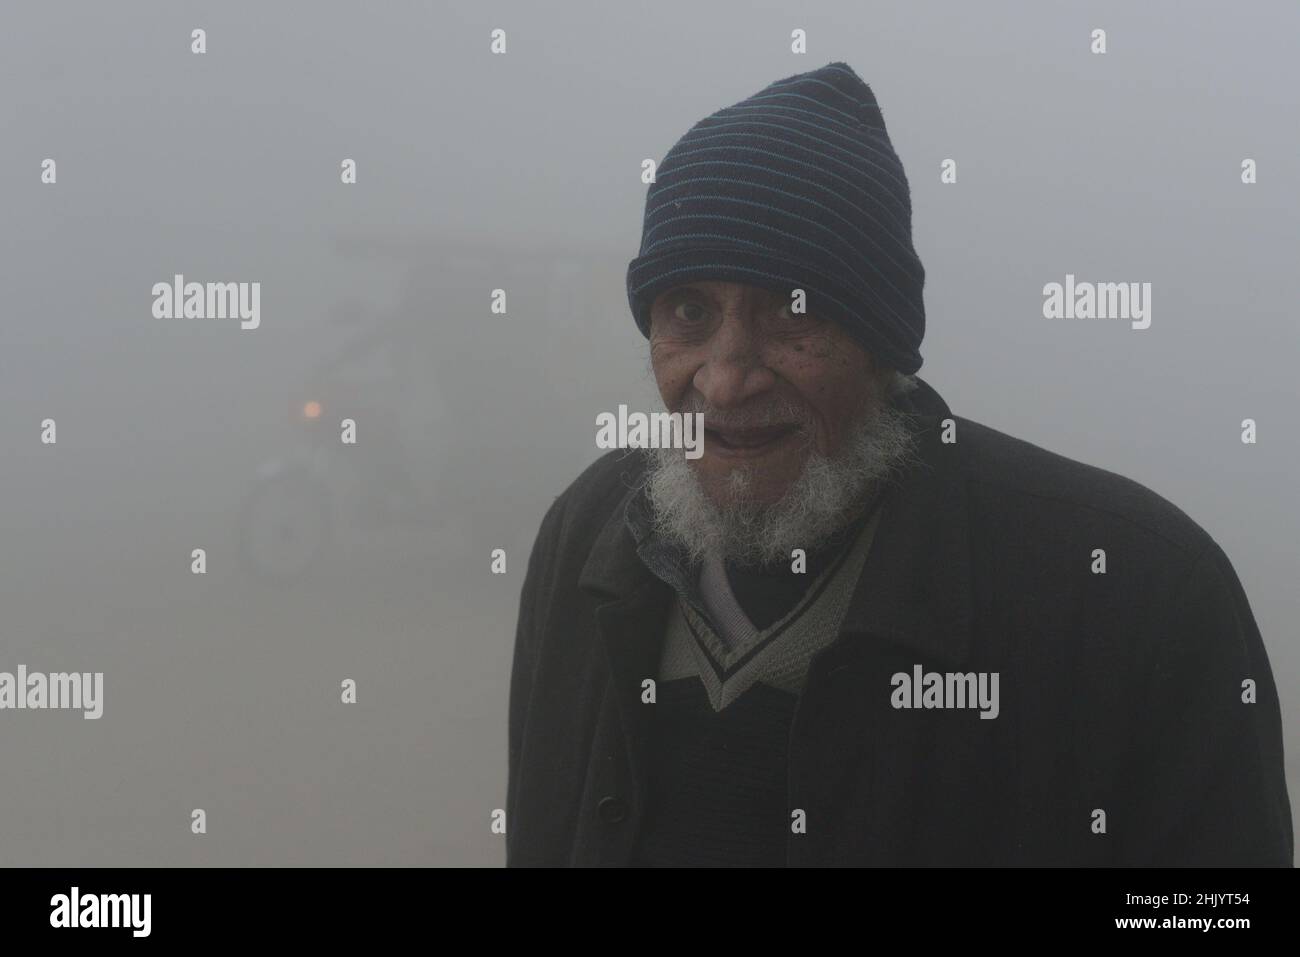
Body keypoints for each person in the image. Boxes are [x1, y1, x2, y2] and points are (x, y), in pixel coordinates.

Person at [506, 61, 1292, 866]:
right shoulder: (589, 538)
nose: (725, 375)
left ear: (883, 342)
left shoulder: (1138, 594)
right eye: (690, 311)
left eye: (792, 309)